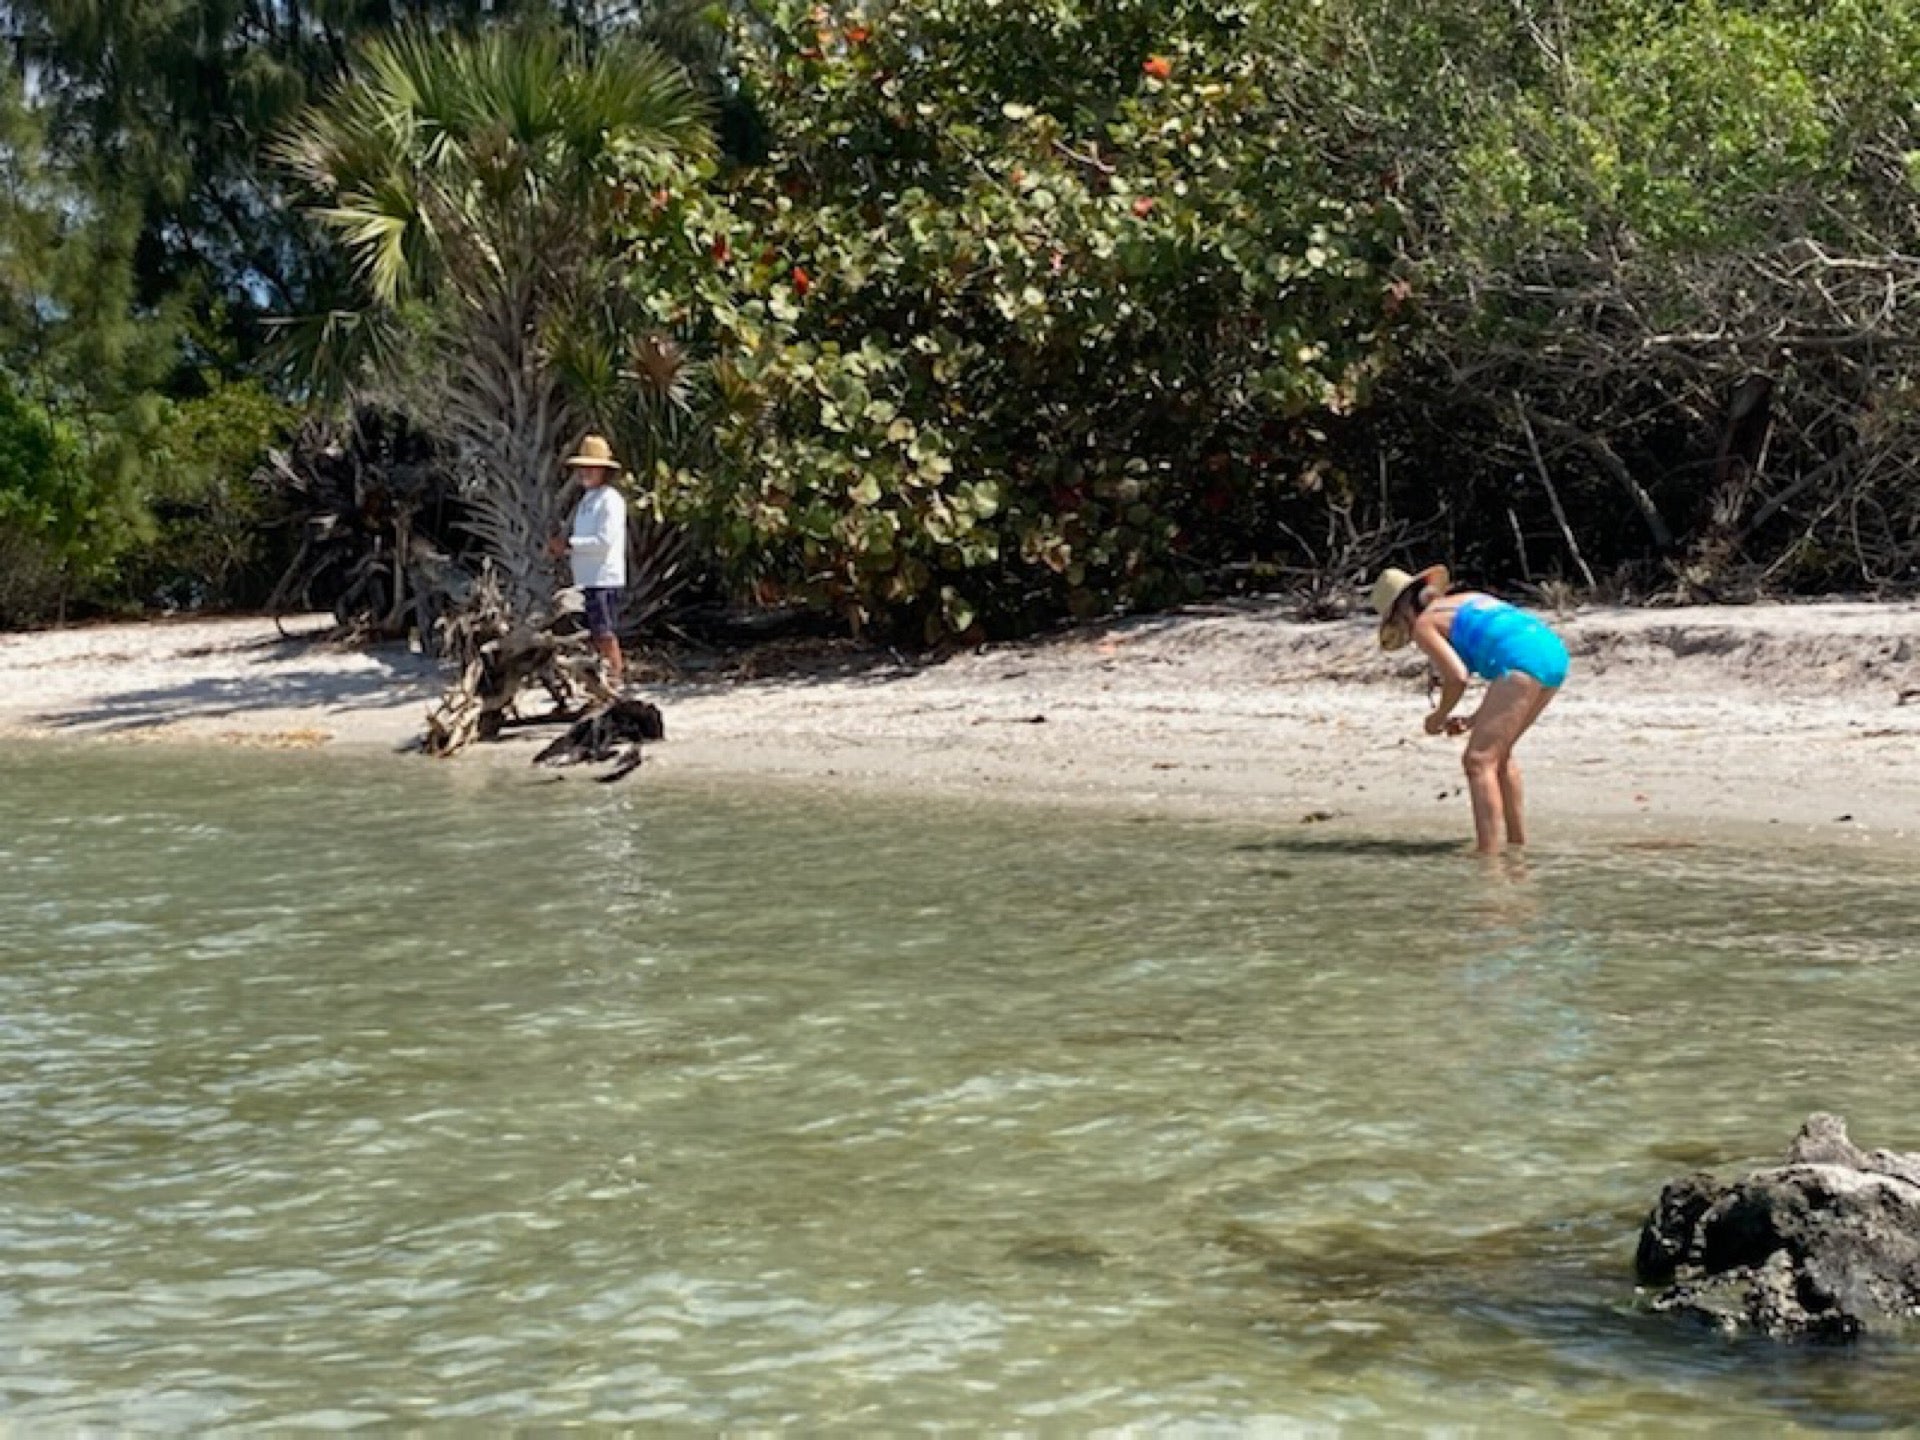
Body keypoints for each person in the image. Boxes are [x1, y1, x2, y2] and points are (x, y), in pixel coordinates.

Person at [1369, 564, 1569, 855]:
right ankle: (1516, 847)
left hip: (1522, 663)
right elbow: (1505, 644)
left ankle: (1487, 856)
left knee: (1477, 761)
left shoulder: (1425, 624)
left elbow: (1457, 677)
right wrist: (1475, 719)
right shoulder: (1468, 599)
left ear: (1399, 612)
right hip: (1553, 655)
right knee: (1500, 754)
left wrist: (1437, 718)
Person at [548, 434, 629, 687]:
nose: (585, 472)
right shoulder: (587, 501)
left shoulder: (610, 500)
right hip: (586, 578)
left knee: (604, 632)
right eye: (583, 467)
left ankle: (615, 679)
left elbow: (604, 541)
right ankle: (601, 681)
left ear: (604, 471)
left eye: (591, 467)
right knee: (593, 633)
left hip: (604, 577)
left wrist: (570, 545)